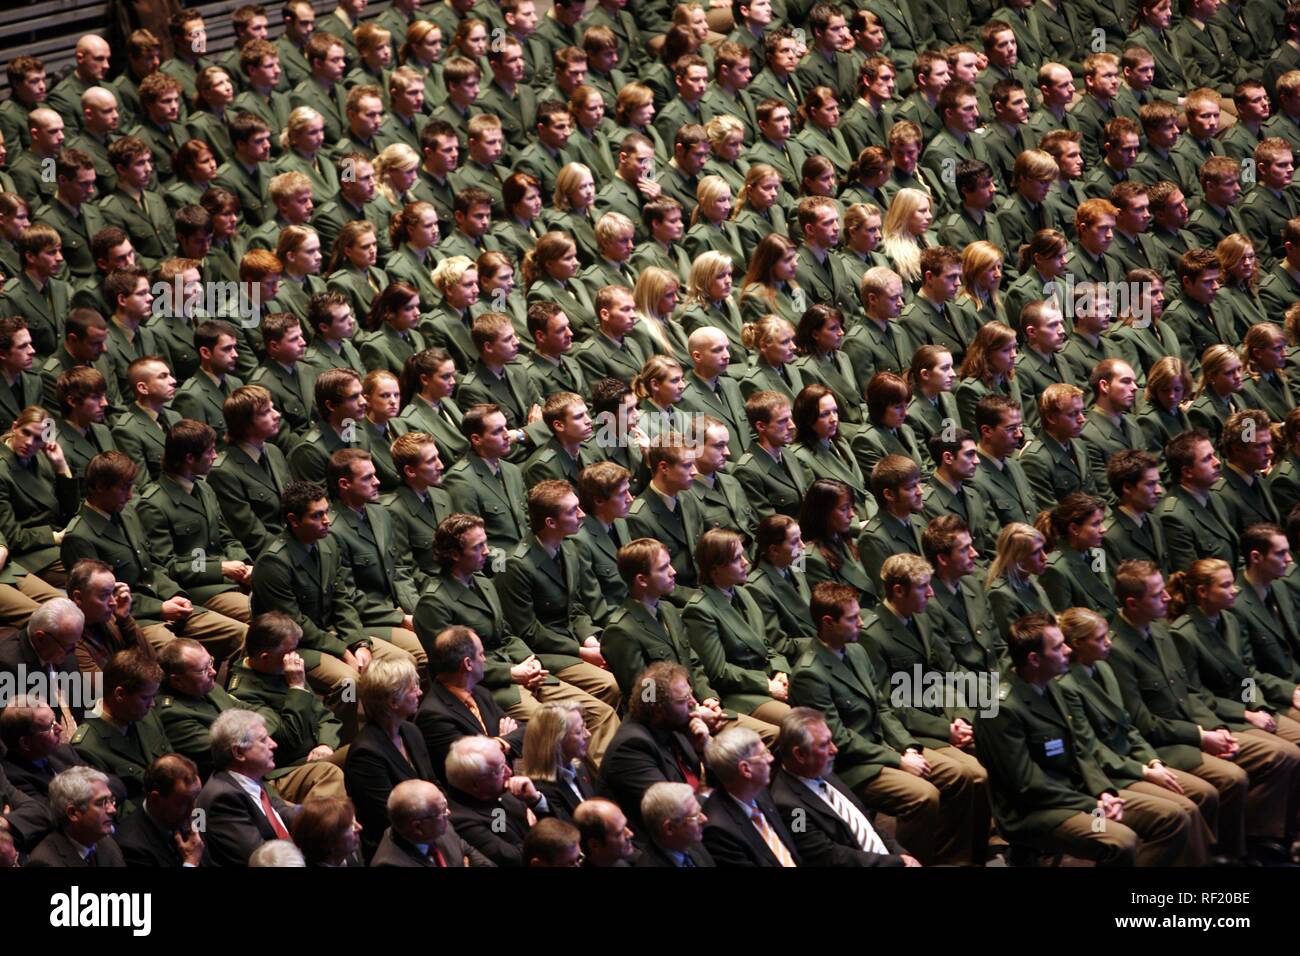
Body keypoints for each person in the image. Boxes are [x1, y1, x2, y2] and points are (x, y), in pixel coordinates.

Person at [789, 581, 988, 865]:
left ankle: (954, 860)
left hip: (884, 746)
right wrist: (897, 759)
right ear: (828, 623)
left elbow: (882, 707)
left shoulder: (855, 651)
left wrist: (906, 747)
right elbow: (840, 740)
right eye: (852, 618)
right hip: (853, 765)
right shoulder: (810, 674)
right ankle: (903, 861)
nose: (861, 622)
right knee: (923, 796)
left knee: (965, 775)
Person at [770, 707, 918, 867]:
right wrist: (897, 861)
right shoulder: (791, 808)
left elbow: (865, 824)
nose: (834, 749)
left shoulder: (823, 772)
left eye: (831, 740)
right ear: (800, 755)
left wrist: (899, 852)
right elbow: (827, 856)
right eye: (824, 745)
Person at [70, 648, 173, 812]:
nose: (153, 704)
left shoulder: (146, 716)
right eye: (146, 698)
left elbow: (171, 763)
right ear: (120, 694)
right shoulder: (86, 747)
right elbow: (114, 810)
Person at [196, 708, 301, 867]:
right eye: (263, 740)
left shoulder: (248, 778)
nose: (273, 744)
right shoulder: (224, 798)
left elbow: (280, 812)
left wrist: (321, 816)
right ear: (238, 752)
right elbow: (258, 859)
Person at [444, 734, 549, 867]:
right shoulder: (461, 821)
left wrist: (536, 801)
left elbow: (561, 828)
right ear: (475, 784)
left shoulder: (501, 791)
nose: (509, 772)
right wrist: (538, 830)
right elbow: (515, 860)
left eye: (505, 764)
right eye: (500, 769)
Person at [372, 778, 493, 867]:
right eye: (442, 810)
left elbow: (472, 854)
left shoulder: (439, 826)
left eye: (445, 805)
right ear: (418, 827)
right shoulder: (390, 864)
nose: (448, 813)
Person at [114, 754, 207, 867]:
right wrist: (191, 862)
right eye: (182, 804)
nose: (193, 810)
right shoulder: (132, 847)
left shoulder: (195, 816)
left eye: (196, 798)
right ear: (155, 799)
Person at [27, 766, 125, 868]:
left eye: (111, 800)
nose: (112, 809)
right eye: (101, 803)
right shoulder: (45, 862)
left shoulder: (107, 844)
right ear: (73, 813)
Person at [635, 781, 714, 867]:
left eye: (700, 811)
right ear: (670, 828)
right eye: (695, 816)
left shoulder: (691, 842)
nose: (704, 819)